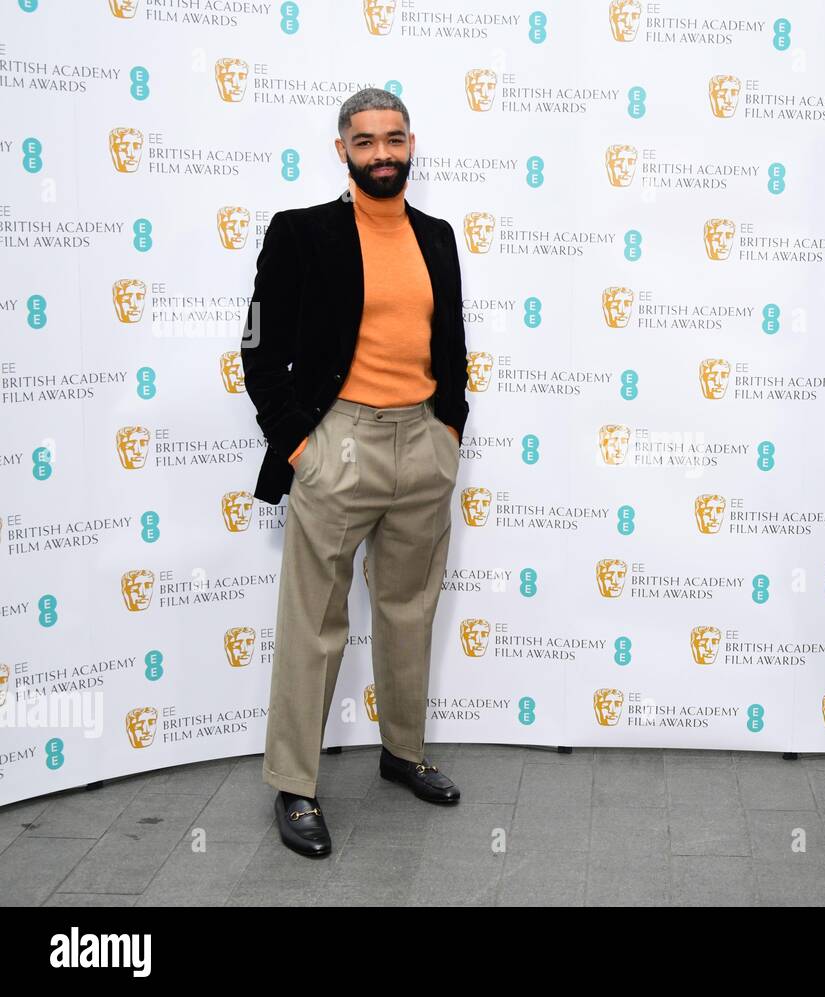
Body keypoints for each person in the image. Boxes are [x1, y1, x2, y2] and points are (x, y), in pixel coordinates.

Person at [241, 88, 469, 858]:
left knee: (410, 610)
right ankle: (295, 784)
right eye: (366, 140)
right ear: (342, 148)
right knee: (315, 624)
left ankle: (403, 752)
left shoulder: (437, 236)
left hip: (422, 441)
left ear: (413, 143)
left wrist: (448, 429)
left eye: (394, 138)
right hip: (338, 439)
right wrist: (301, 447)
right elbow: (259, 351)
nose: (382, 153)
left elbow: (452, 343)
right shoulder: (300, 233)